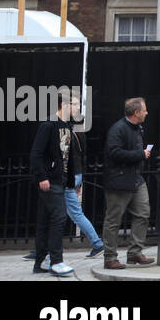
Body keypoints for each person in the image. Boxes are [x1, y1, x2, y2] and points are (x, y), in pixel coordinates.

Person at [29, 94, 80, 275]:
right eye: (75, 104)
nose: (77, 108)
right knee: (59, 218)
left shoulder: (67, 126)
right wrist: (42, 177)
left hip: (61, 181)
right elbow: (36, 154)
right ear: (64, 105)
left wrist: (72, 181)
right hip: (50, 181)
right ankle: (56, 262)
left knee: (45, 221)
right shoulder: (49, 125)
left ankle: (40, 262)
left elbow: (68, 157)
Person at [102, 97, 154, 269]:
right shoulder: (118, 129)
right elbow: (114, 153)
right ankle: (110, 258)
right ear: (136, 113)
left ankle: (135, 253)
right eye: (144, 110)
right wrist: (140, 154)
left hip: (135, 179)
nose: (147, 112)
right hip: (119, 180)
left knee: (143, 213)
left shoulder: (137, 128)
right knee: (113, 220)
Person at [61, 100, 104, 260]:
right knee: (61, 212)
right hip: (77, 174)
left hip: (70, 175)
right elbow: (82, 155)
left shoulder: (66, 129)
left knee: (72, 213)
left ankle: (97, 243)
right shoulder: (79, 130)